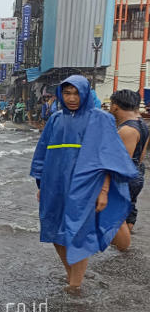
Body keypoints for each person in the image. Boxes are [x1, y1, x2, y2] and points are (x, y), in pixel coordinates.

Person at [30, 75, 137, 293]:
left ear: (86, 93)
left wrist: (104, 191)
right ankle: (72, 277)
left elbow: (108, 158)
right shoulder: (55, 119)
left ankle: (75, 285)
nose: (71, 98)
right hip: (55, 183)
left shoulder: (100, 119)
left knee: (78, 232)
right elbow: (42, 153)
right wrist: (41, 184)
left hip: (86, 185)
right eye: (67, 93)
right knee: (55, 231)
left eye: (76, 93)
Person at [109, 89, 149, 232]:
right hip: (137, 173)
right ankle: (127, 248)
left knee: (117, 214)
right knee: (129, 208)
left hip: (127, 177)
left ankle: (124, 247)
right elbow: (141, 156)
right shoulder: (143, 124)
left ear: (115, 106)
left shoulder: (127, 130)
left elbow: (120, 163)